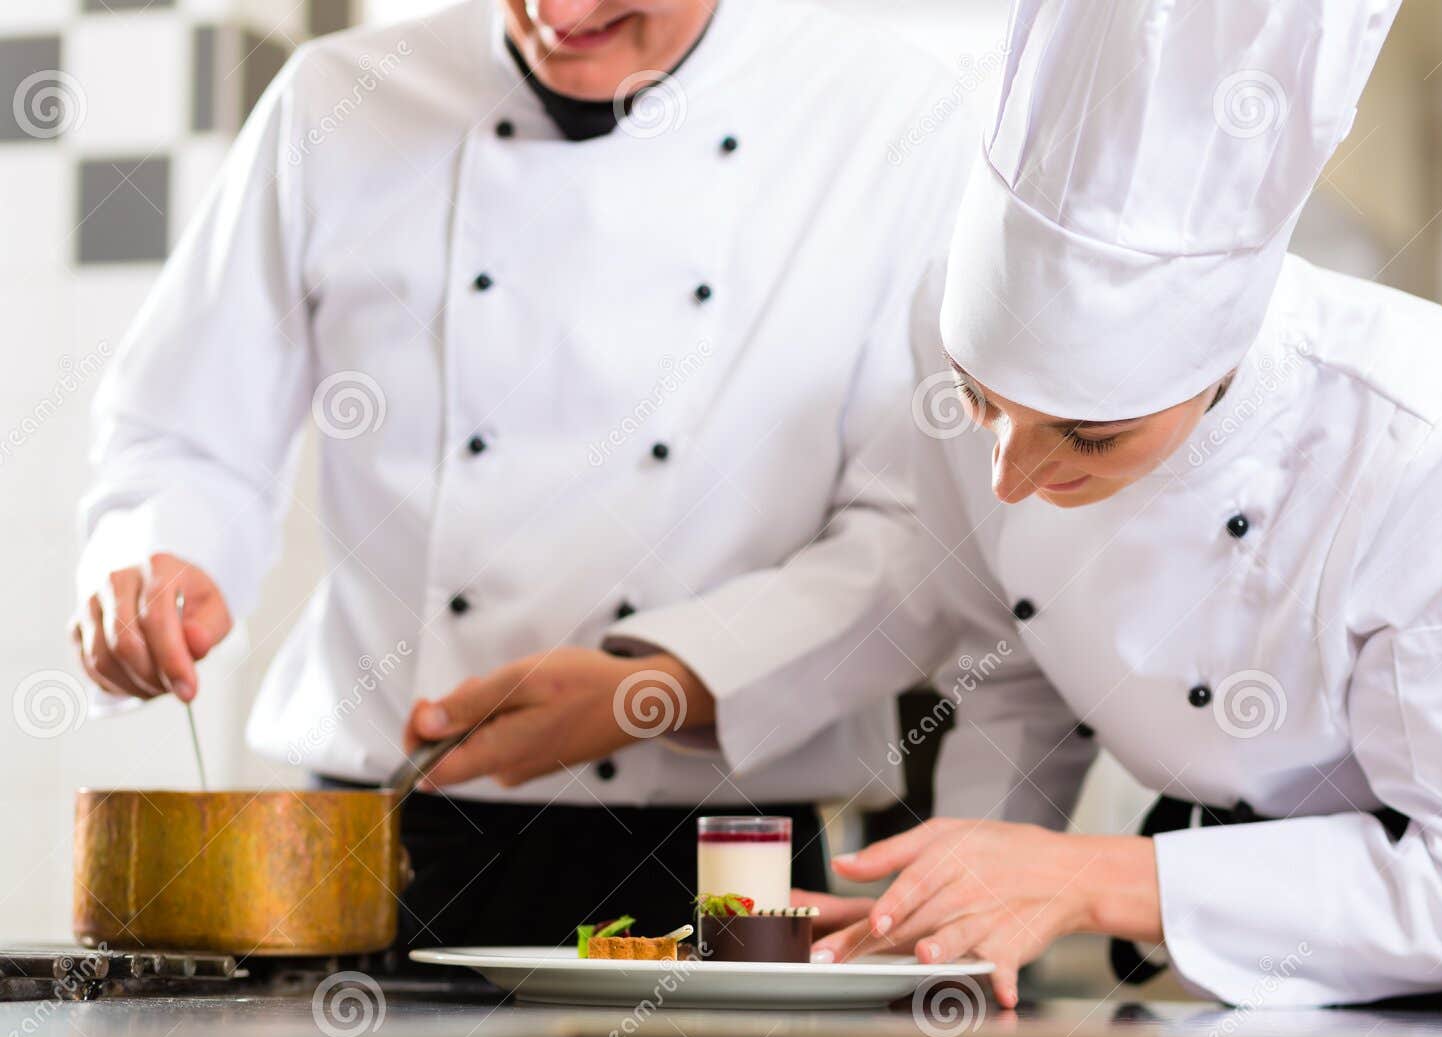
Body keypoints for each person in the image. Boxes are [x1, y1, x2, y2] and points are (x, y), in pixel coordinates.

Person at [74, 0, 971, 949]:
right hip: (381, 830)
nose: (562, 14)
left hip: (725, 849)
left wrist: (663, 684)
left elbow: (917, 525)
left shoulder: (892, 114)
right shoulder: (337, 99)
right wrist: (159, 555)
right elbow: (181, 429)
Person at [770, 0, 1442, 1009]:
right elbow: (1019, 665)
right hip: (1207, 975)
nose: (1007, 477)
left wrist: (1089, 879)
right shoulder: (947, 331)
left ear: (1217, 365)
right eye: (979, 402)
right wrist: (957, 922)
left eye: (1090, 436)